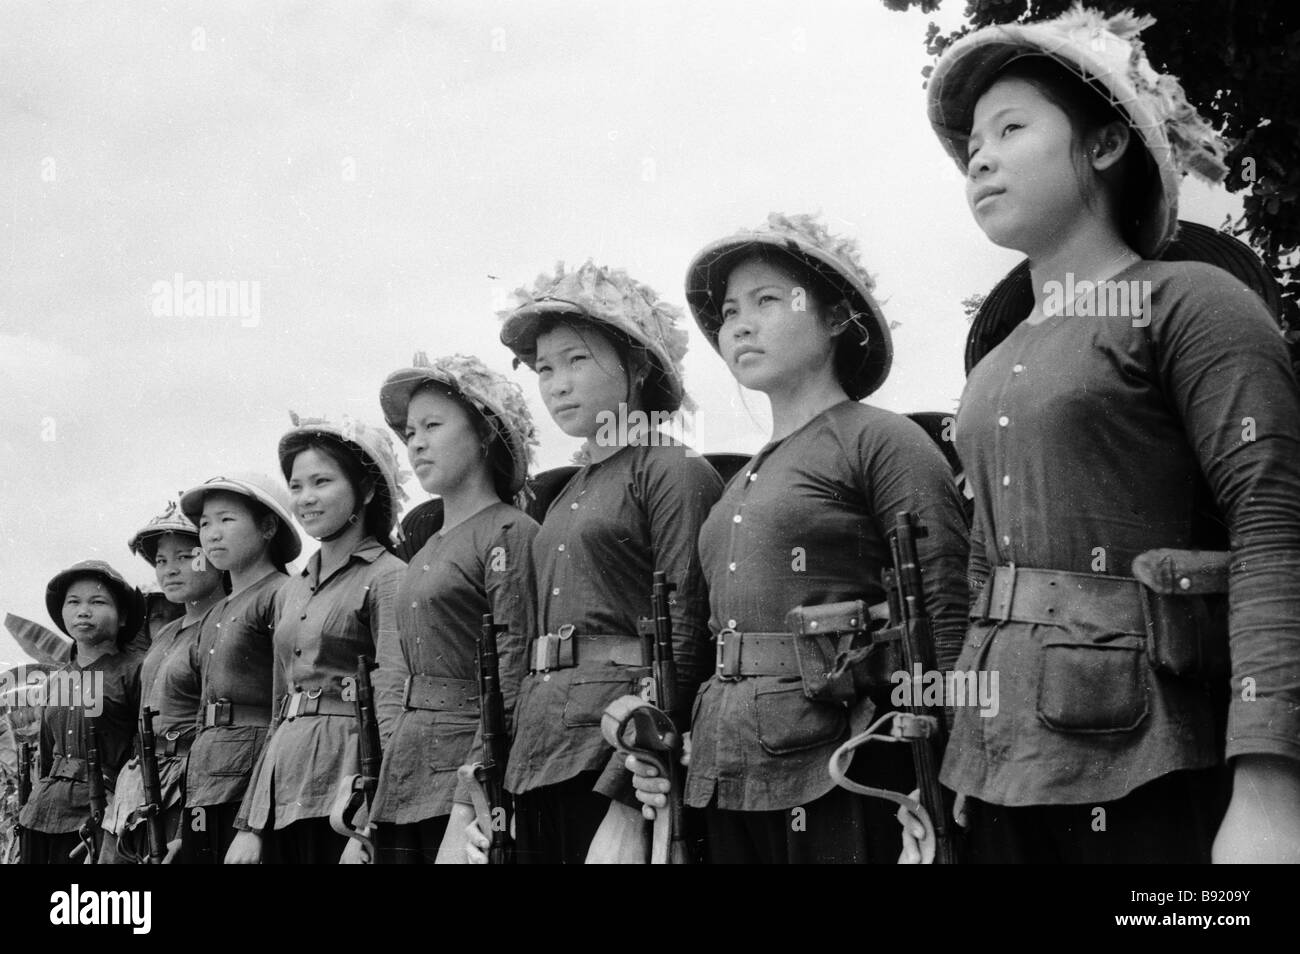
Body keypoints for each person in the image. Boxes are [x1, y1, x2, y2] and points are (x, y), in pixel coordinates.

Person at [903, 5, 1300, 863]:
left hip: (1151, 765)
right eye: (973, 141)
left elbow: (1273, 527)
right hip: (998, 773)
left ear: (1105, 145)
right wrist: (949, 768)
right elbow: (983, 571)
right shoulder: (993, 364)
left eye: (1012, 127)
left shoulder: (1191, 303)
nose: (980, 156)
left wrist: (1271, 780)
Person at [620, 213, 970, 864]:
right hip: (727, 773)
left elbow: (944, 617)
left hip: (846, 771)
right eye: (729, 311)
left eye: (767, 300)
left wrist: (939, 782)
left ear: (836, 318)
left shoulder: (882, 439)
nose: (740, 325)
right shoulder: (736, 487)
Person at [469, 260, 722, 864]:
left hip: (618, 756)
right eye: (545, 368)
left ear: (636, 366)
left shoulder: (671, 470)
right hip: (540, 753)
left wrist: (628, 795)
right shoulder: (561, 496)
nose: (556, 383)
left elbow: (684, 638)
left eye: (577, 360)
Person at [369, 353, 539, 864]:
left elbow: (511, 674)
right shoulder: (420, 553)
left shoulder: (509, 532)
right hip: (407, 770)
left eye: (433, 425)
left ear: (485, 435)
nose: (415, 441)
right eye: (409, 431)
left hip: (468, 771)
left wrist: (472, 796)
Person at [224, 416, 407, 864]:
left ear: (364, 491)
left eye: (321, 482)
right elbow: (277, 709)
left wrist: (368, 826)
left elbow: (393, 709)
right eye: (297, 485)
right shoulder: (291, 589)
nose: (305, 498)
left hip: (346, 789)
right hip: (281, 788)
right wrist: (250, 825)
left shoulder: (390, 578)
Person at [179, 473, 300, 863]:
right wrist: (187, 827)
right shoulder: (216, 612)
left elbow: (283, 714)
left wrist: (253, 825)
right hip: (206, 783)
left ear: (267, 526)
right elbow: (202, 717)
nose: (212, 534)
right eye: (204, 524)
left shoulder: (281, 594)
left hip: (252, 783)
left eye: (227, 520)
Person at [101, 502, 225, 863]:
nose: (169, 570)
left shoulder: (226, 626)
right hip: (139, 784)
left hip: (188, 789)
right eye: (160, 561)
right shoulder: (166, 634)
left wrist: (193, 827)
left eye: (185, 557)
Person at [18, 561, 144, 863]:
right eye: (73, 602)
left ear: (123, 616)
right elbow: (47, 755)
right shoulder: (58, 680)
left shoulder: (136, 671)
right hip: (41, 813)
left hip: (103, 814)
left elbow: (143, 752)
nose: (83, 611)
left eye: (97, 602)